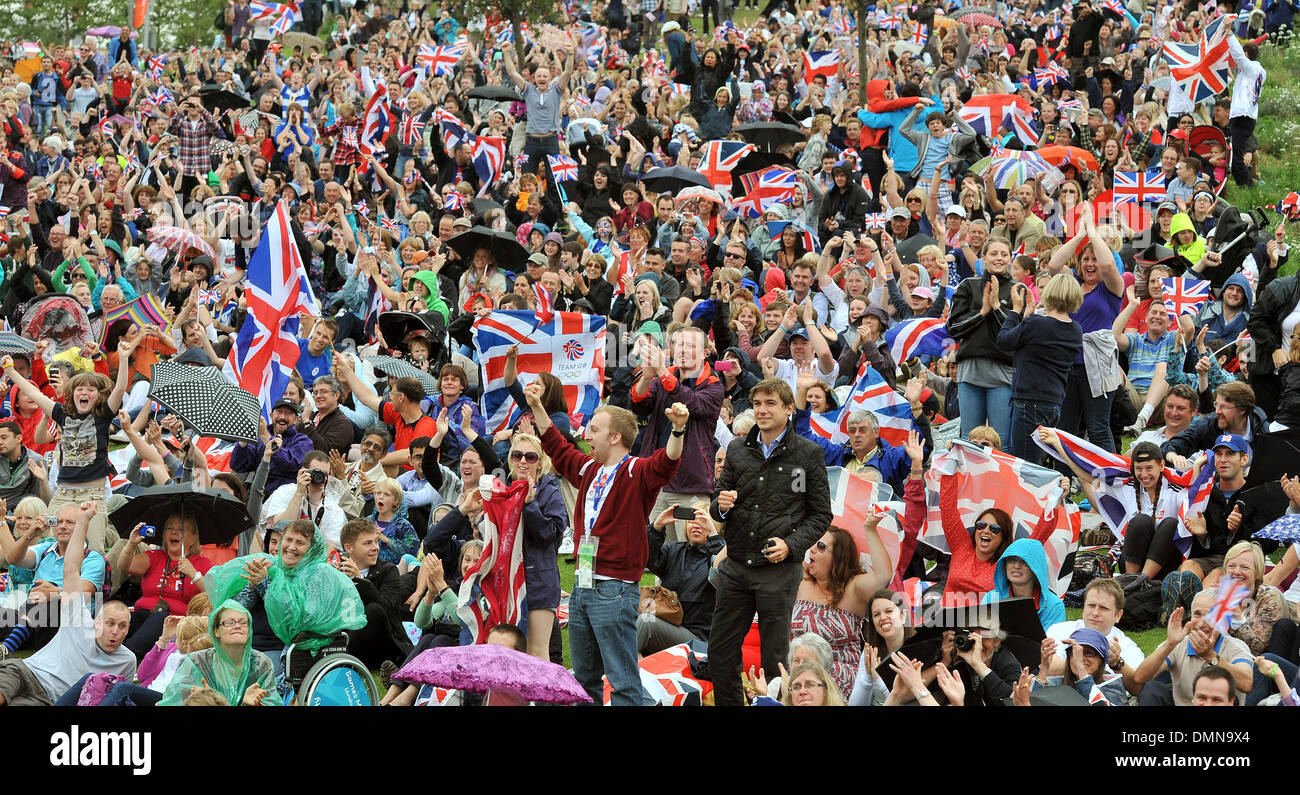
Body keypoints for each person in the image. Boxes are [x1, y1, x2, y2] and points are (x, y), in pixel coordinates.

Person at [525, 381, 686, 706]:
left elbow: (666, 463)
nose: (586, 434)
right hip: (583, 585)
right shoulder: (588, 468)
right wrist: (536, 405)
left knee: (623, 682)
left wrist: (678, 430)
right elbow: (556, 445)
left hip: (614, 589)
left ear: (615, 437)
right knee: (584, 683)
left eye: (595, 429)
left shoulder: (637, 471)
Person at [709, 377, 832, 707]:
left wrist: (792, 546)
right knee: (719, 653)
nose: (762, 410)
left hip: (778, 570)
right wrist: (719, 506)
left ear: (789, 409)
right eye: (757, 404)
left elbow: (821, 515)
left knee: (775, 659)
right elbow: (716, 503)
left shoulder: (808, 454)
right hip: (735, 566)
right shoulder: (736, 449)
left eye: (770, 403)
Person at [0, 502, 135, 705]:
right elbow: (12, 558)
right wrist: (30, 532)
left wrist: (53, 591)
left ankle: (8, 646)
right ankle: (8, 645)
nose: (63, 526)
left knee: (49, 601)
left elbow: (84, 590)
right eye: (59, 521)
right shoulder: (47, 549)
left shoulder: (93, 558)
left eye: (70, 522)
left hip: (65, 622)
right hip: (32, 623)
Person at [789, 520, 894, 699]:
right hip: (798, 676)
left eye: (821, 546)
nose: (812, 549)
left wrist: (870, 528)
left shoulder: (853, 588)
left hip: (839, 682)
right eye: (812, 544)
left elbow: (883, 576)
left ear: (838, 556)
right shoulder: (801, 578)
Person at [996, 273, 1084, 461]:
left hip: (1029, 402)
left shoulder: (1036, 324)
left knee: (1025, 465)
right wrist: (1028, 318)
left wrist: (1015, 311)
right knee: (1036, 461)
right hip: (1054, 403)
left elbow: (1003, 341)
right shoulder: (1076, 329)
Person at [116, 514, 215, 659]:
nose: (174, 532)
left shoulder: (202, 563)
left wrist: (194, 574)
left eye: (181, 529)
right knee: (122, 617)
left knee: (160, 619)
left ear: (193, 538)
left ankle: (124, 656)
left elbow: (214, 593)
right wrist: (132, 543)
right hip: (143, 613)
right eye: (170, 528)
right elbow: (124, 565)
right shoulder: (155, 556)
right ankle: (113, 651)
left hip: (174, 621)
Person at [1134, 590, 1254, 706]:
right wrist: (1169, 644)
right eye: (1197, 615)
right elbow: (1140, 678)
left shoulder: (1236, 646)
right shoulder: (1178, 644)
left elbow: (1246, 684)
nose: (1202, 623)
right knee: (1152, 689)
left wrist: (1210, 656)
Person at [157, 600, 281, 706]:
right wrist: (203, 701)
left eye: (243, 622)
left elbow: (272, 702)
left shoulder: (260, 663)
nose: (237, 626)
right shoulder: (197, 661)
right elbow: (174, 701)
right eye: (230, 622)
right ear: (216, 630)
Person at [642, 501, 725, 655]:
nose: (696, 525)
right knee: (631, 618)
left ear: (713, 527)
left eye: (702, 522)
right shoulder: (674, 550)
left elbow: (723, 568)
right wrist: (657, 526)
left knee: (646, 623)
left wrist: (714, 536)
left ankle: (619, 673)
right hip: (667, 624)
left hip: (698, 637)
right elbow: (647, 557)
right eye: (692, 521)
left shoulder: (719, 555)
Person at [982, 538, 1066, 632]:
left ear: (1036, 567)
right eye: (1011, 560)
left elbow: (1054, 644)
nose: (1017, 566)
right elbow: (982, 636)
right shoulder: (990, 598)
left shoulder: (1054, 606)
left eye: (1024, 561)